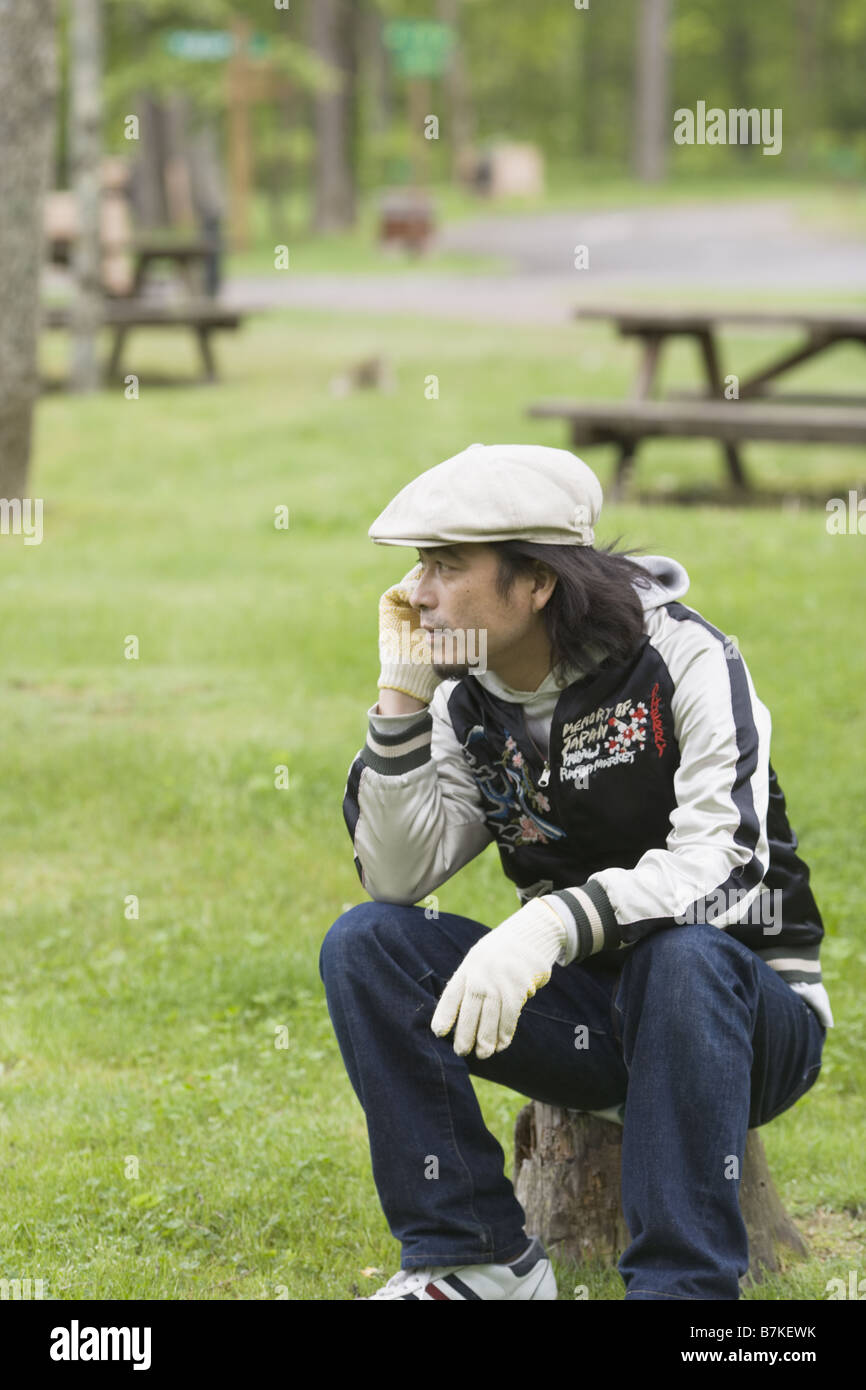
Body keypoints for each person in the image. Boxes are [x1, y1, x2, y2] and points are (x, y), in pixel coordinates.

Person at [319, 442, 832, 1301]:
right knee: (367, 945)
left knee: (683, 957)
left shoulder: (687, 658)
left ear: (539, 582)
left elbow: (724, 866)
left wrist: (554, 922)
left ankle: (684, 1293)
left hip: (744, 1021)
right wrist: (402, 696)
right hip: (591, 1021)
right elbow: (399, 878)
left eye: (446, 566)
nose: (415, 593)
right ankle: (476, 1257)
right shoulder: (464, 694)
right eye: (419, 565)